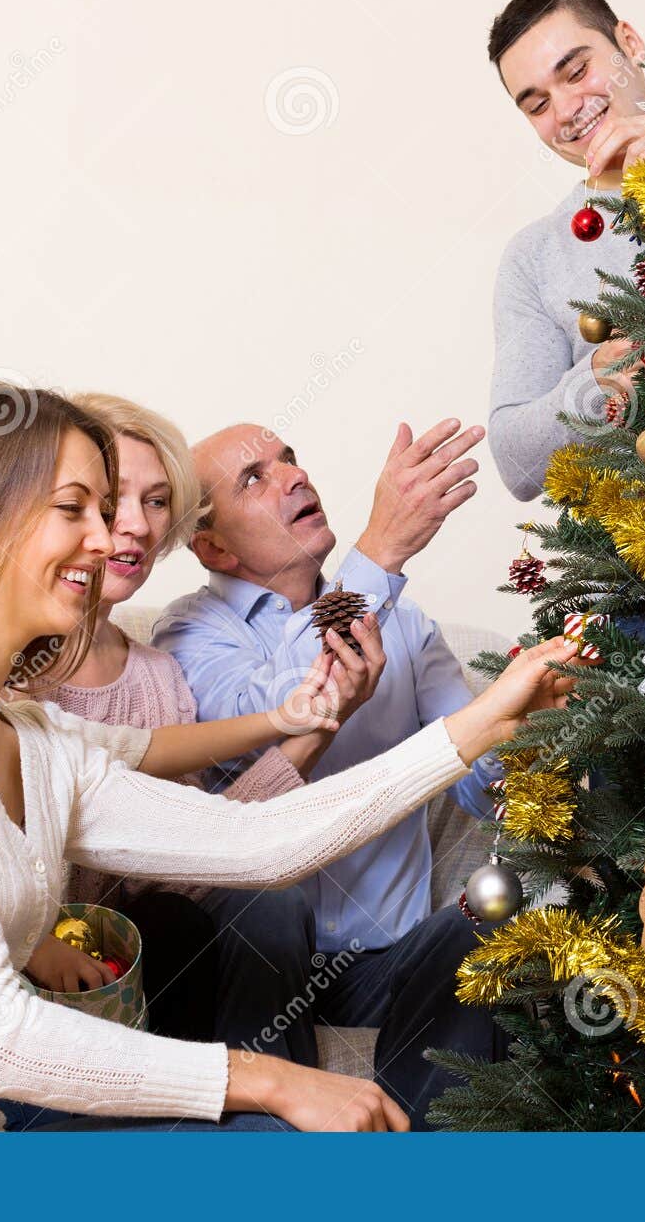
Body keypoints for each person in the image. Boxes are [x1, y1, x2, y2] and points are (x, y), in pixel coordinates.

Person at [0, 386, 576, 1132]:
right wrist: (269, 1077)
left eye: (116, 508)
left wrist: (485, 723)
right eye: (74, 507)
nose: (109, 538)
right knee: (277, 1147)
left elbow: (259, 844)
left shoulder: (34, 742)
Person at [153, 418, 505, 1129]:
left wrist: (519, 723)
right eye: (254, 477)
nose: (292, 475)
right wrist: (376, 555)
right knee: (268, 901)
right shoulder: (188, 632)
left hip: (386, 964)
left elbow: (477, 771)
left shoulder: (405, 624)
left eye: (289, 458)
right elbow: (271, 724)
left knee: (489, 910)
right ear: (213, 545)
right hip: (261, 960)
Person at [20, 394, 378, 1041]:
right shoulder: (8, 667)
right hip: (37, 986)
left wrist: (316, 720)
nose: (132, 525)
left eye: (156, 502)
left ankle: (260, 1124)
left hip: (151, 966)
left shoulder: (158, 676)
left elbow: (193, 863)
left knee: (249, 905)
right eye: (111, 499)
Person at [486, 0, 645, 500]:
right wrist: (595, 377)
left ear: (630, 43)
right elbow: (515, 463)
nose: (565, 109)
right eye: (536, 105)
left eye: (576, 71)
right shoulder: (535, 258)